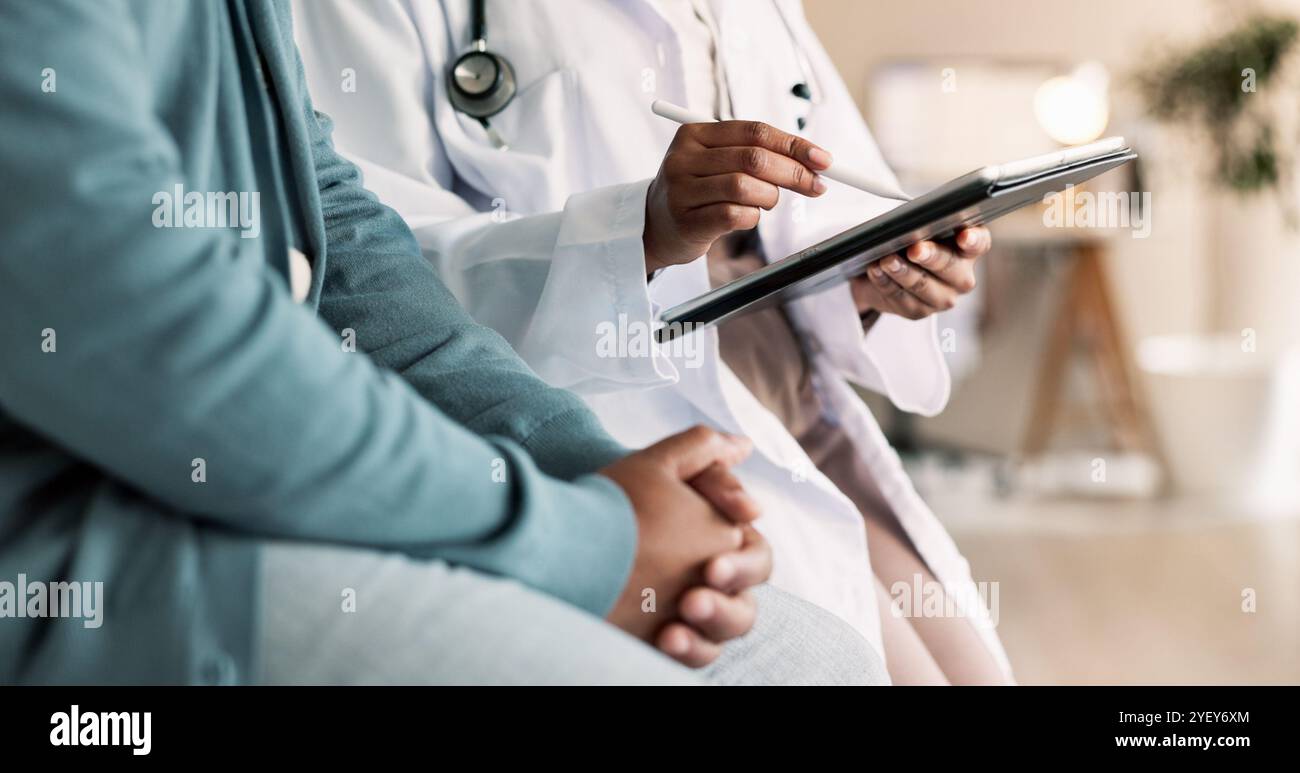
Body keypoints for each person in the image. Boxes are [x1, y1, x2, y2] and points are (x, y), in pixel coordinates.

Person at [0, 0, 885, 686]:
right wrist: (578, 537)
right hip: (97, 549)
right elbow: (152, 328)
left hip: (289, 469)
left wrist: (595, 473)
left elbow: (336, 232)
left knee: (817, 657)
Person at [293, 0, 1014, 684]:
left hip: (792, 403)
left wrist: (881, 275)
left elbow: (833, 185)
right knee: (828, 659)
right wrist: (637, 230)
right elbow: (374, 269)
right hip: (611, 414)